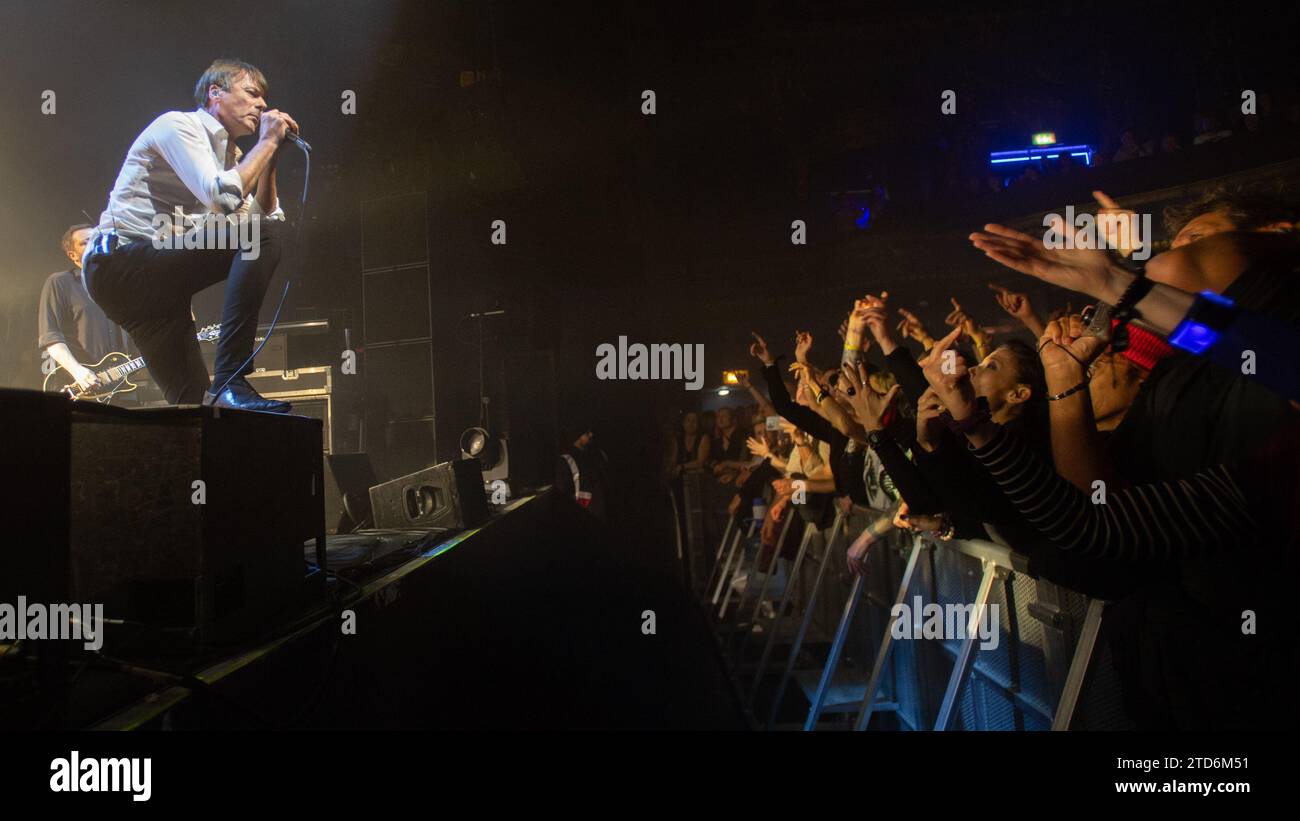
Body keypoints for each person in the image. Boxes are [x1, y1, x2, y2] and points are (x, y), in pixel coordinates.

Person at [82, 58, 299, 411]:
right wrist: (267, 144)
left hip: (157, 294)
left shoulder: (235, 160)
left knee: (197, 409)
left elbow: (262, 218)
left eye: (264, 98)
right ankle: (233, 376)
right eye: (252, 93)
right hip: (119, 262)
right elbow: (222, 197)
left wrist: (269, 155)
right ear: (216, 93)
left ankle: (214, 410)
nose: (262, 104)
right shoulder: (177, 126)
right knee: (260, 236)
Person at [39, 224, 131, 395]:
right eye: (86, 241)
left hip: (123, 385)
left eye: (96, 238)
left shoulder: (118, 284)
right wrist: (77, 371)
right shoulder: (60, 283)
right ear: (72, 254)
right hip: (82, 385)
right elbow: (51, 337)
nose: (94, 243)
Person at [556, 425, 608, 519]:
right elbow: (561, 495)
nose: (591, 435)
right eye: (587, 433)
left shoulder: (595, 456)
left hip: (600, 516)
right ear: (577, 436)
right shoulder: (565, 460)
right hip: (581, 519)